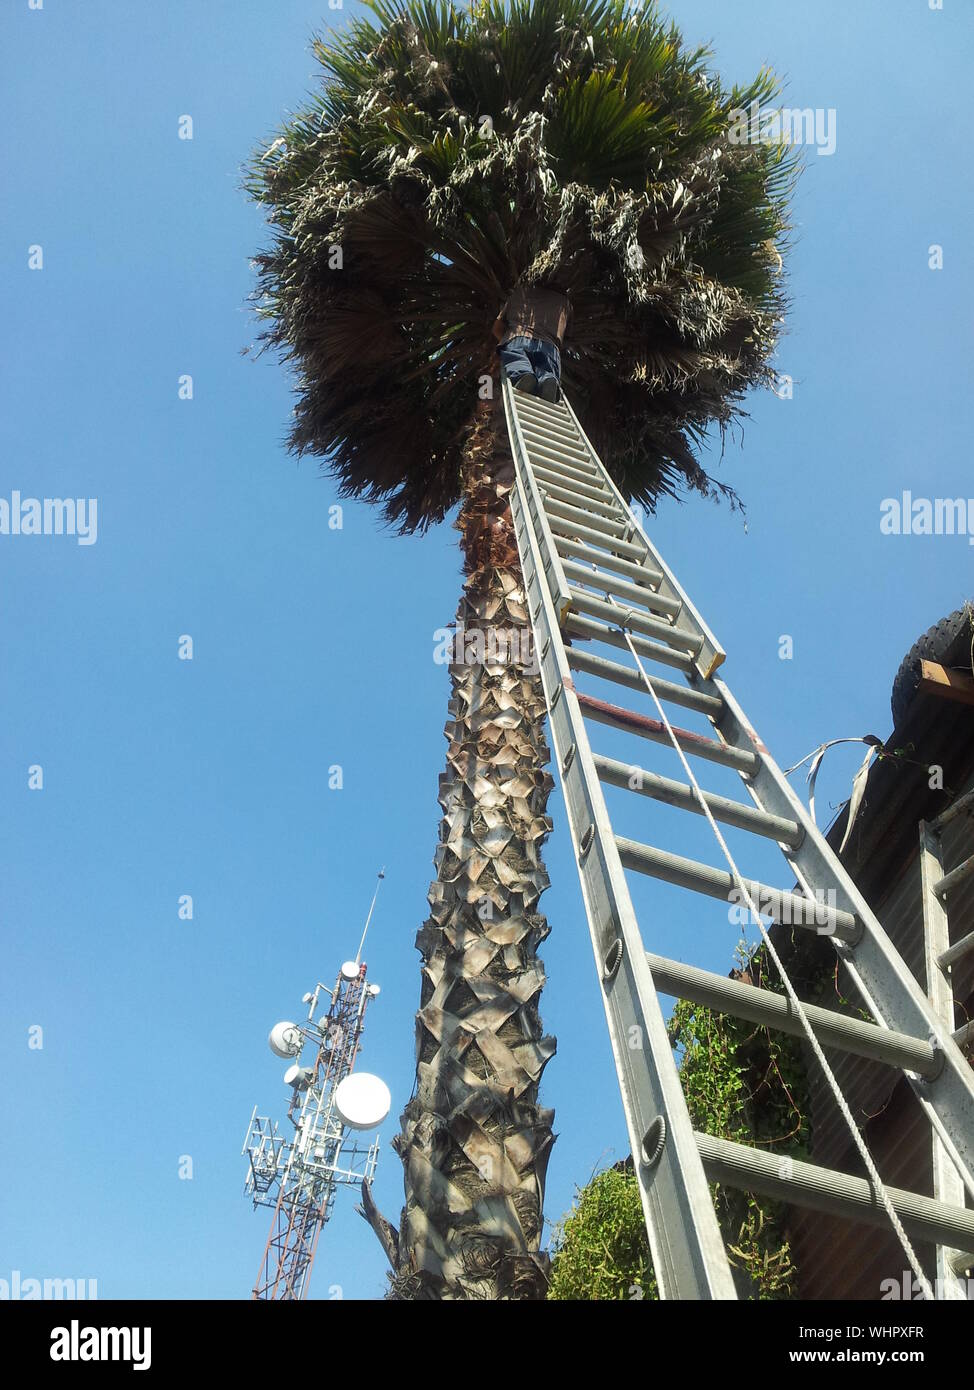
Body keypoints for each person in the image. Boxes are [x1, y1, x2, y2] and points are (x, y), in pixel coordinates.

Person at [492, 283, 572, 402]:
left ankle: (524, 374)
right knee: (547, 369)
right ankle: (548, 380)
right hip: (550, 346)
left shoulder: (520, 293)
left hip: (518, 337)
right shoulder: (565, 304)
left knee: (518, 360)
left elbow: (496, 328)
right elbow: (567, 336)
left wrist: (505, 341)